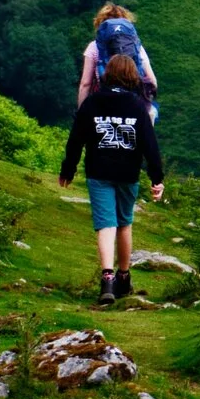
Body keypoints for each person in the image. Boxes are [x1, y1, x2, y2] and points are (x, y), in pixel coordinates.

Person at [60, 52, 165, 305]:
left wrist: (68, 169)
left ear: (108, 75)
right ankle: (124, 278)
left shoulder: (93, 103)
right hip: (128, 173)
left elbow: (76, 139)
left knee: (105, 224)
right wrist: (157, 178)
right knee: (124, 224)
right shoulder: (138, 106)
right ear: (132, 76)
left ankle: (106, 279)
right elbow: (150, 145)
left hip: (99, 171)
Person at [77, 3, 157, 116]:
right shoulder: (137, 47)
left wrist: (81, 114)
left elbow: (85, 84)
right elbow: (152, 80)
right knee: (151, 115)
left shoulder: (93, 47)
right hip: (132, 104)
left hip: (104, 105)